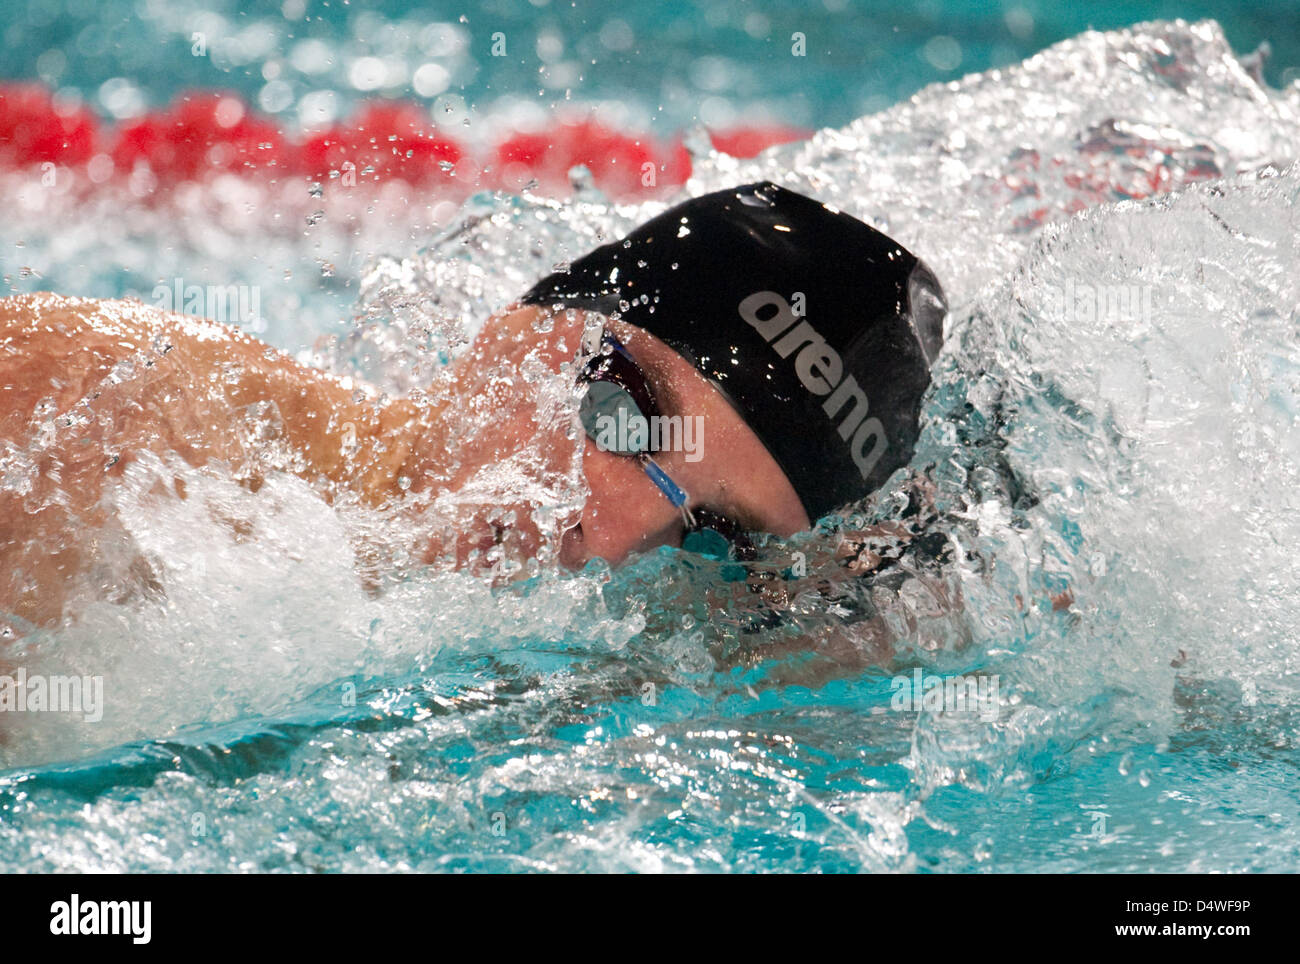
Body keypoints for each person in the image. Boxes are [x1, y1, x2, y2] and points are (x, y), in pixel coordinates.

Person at [0, 181, 946, 632]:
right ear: (528, 320)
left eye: (712, 534)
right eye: (620, 415)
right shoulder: (105, 420)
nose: (614, 538)